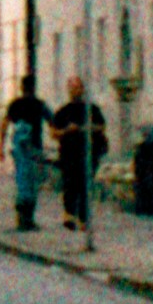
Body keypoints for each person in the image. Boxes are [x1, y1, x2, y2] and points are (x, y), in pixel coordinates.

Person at [54, 81, 110, 248]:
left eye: (77, 87)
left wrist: (88, 128)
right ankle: (69, 215)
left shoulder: (91, 109)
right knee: (70, 183)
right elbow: (54, 132)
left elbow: (102, 126)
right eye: (71, 87)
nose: (75, 90)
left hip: (89, 152)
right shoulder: (63, 111)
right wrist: (66, 131)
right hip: (69, 153)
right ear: (68, 90)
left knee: (86, 184)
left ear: (83, 89)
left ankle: (83, 218)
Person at [2, 75, 49, 231]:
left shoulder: (15, 104)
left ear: (22, 88)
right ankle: (28, 219)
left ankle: (22, 219)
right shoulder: (39, 105)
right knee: (33, 184)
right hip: (35, 147)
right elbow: (52, 120)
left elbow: (4, 124)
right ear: (34, 87)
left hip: (19, 150)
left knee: (22, 182)